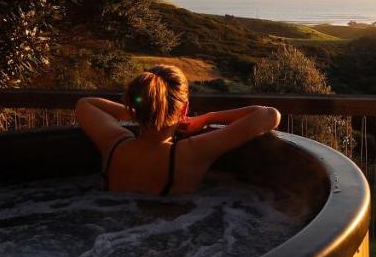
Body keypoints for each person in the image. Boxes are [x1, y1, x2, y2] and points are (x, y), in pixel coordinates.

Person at [74, 64, 281, 196]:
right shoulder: (188, 154)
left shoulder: (114, 144)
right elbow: (270, 115)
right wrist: (207, 118)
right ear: (185, 108)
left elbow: (85, 104)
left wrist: (141, 112)